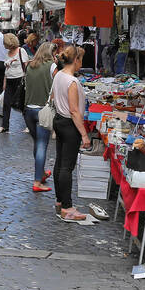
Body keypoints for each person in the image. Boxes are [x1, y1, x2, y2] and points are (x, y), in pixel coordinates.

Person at [51, 45, 90, 222]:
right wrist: (84, 134)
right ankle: (67, 207)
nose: (81, 64)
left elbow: (53, 97)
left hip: (59, 120)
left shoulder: (58, 75)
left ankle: (60, 202)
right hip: (69, 124)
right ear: (76, 60)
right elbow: (74, 111)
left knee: (60, 163)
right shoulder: (72, 82)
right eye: (81, 60)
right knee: (67, 166)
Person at [22, 42, 55, 193]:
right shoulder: (52, 66)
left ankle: (40, 172)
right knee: (42, 145)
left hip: (28, 110)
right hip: (43, 111)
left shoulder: (30, 66)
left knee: (37, 142)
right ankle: (37, 181)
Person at [0, 33, 30, 133]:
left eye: (4, 44)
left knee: (21, 104)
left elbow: (26, 65)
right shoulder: (7, 54)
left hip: (19, 79)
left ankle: (29, 125)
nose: (3, 45)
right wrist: (4, 82)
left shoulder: (21, 51)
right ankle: (4, 126)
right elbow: (6, 71)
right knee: (6, 103)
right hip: (9, 80)